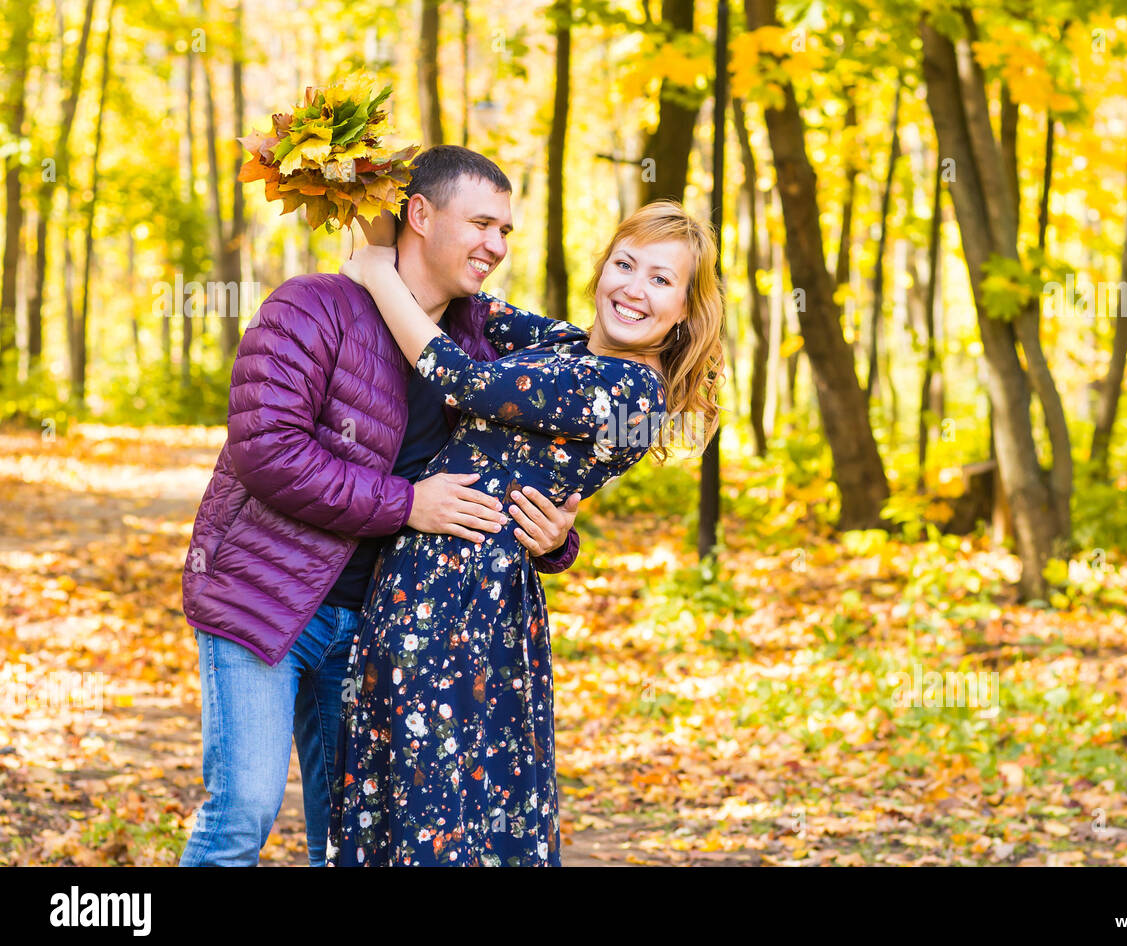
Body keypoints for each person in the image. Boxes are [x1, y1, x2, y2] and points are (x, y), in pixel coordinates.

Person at [179, 145, 584, 866]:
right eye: (482, 224)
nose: (496, 245)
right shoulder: (311, 306)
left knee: (346, 839)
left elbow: (527, 447)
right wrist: (407, 504)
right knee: (243, 808)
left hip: (377, 629)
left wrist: (552, 540)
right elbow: (265, 448)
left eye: (507, 231)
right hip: (264, 599)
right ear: (420, 214)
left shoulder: (479, 348)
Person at [328, 200, 725, 866]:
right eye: (624, 264)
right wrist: (379, 205)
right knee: (403, 799)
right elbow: (471, 310)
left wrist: (373, 271)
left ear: (685, 309)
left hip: (462, 612)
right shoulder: (569, 348)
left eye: (661, 280)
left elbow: (460, 378)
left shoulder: (630, 390)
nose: (633, 287)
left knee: (444, 812)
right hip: (420, 590)